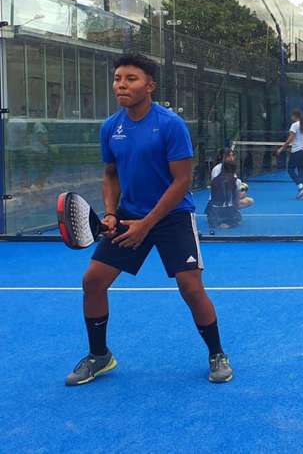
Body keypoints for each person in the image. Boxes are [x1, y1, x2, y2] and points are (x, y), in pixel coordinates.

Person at [65, 53, 232, 386]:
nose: (121, 85)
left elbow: (182, 181)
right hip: (129, 217)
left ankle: (216, 353)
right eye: (117, 78)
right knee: (93, 281)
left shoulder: (170, 124)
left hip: (173, 217)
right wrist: (111, 213)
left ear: (149, 86)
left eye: (131, 79)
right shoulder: (111, 127)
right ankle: (100, 356)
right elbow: (110, 174)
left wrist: (148, 224)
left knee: (190, 287)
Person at [276, 109, 303, 199]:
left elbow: (290, 139)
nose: (291, 117)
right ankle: (301, 194)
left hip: (297, 151)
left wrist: (281, 148)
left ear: (295, 116)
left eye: (292, 116)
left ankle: (301, 187)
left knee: (290, 170)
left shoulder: (294, 125)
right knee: (301, 170)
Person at [206, 160, 242, 230]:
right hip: (219, 210)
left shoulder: (215, 181)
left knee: (237, 217)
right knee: (237, 219)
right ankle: (224, 222)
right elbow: (234, 201)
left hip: (216, 211)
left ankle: (221, 222)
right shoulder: (235, 181)